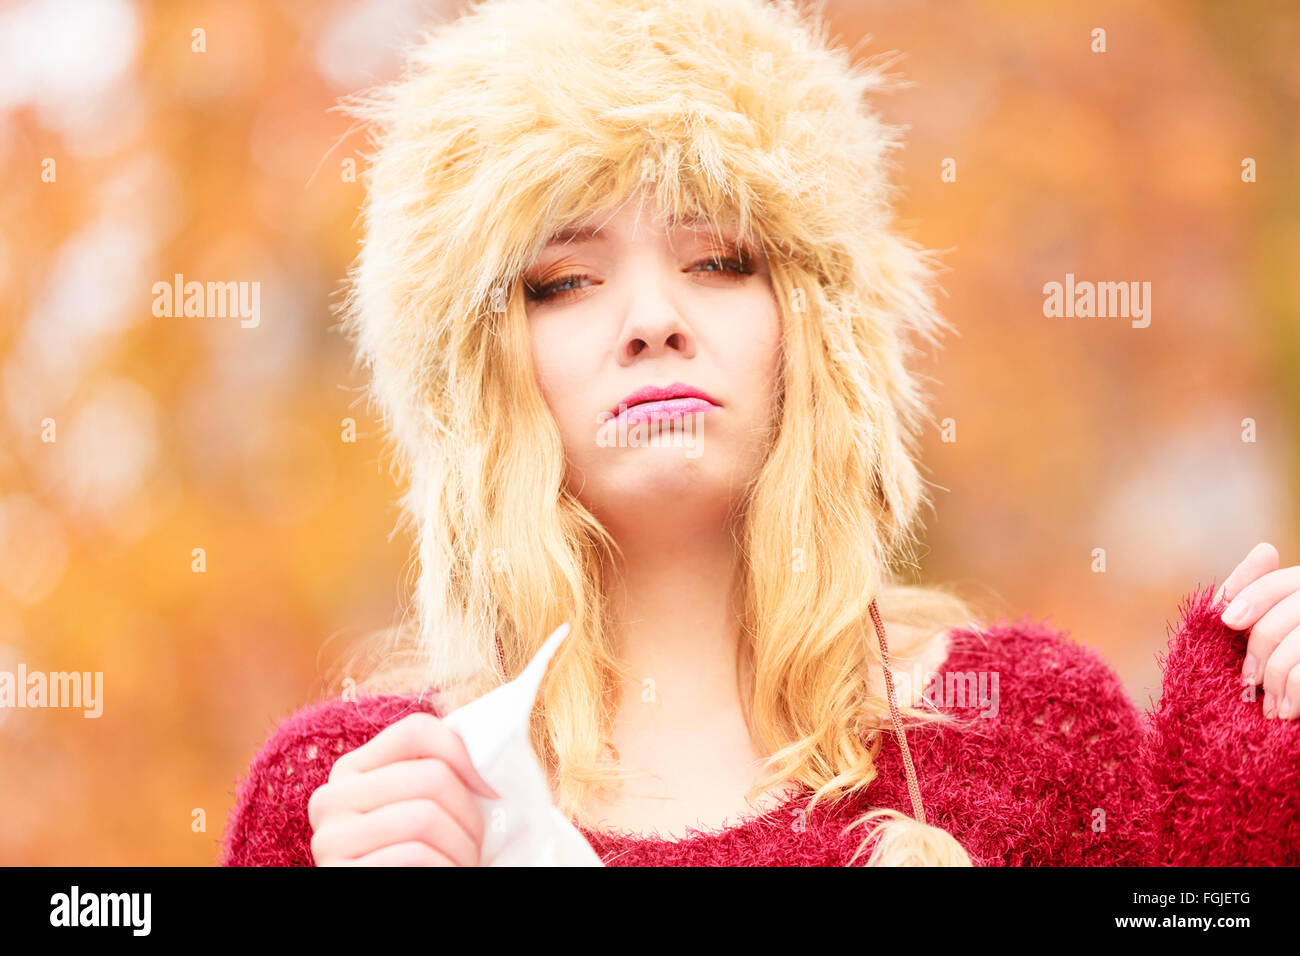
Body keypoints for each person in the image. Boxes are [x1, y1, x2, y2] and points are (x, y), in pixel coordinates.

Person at [219, 0, 1300, 867]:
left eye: (719, 260)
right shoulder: (348, 800)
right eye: (564, 280)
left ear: (815, 332)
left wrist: (1260, 798)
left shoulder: (1031, 732)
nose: (652, 319)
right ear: (474, 371)